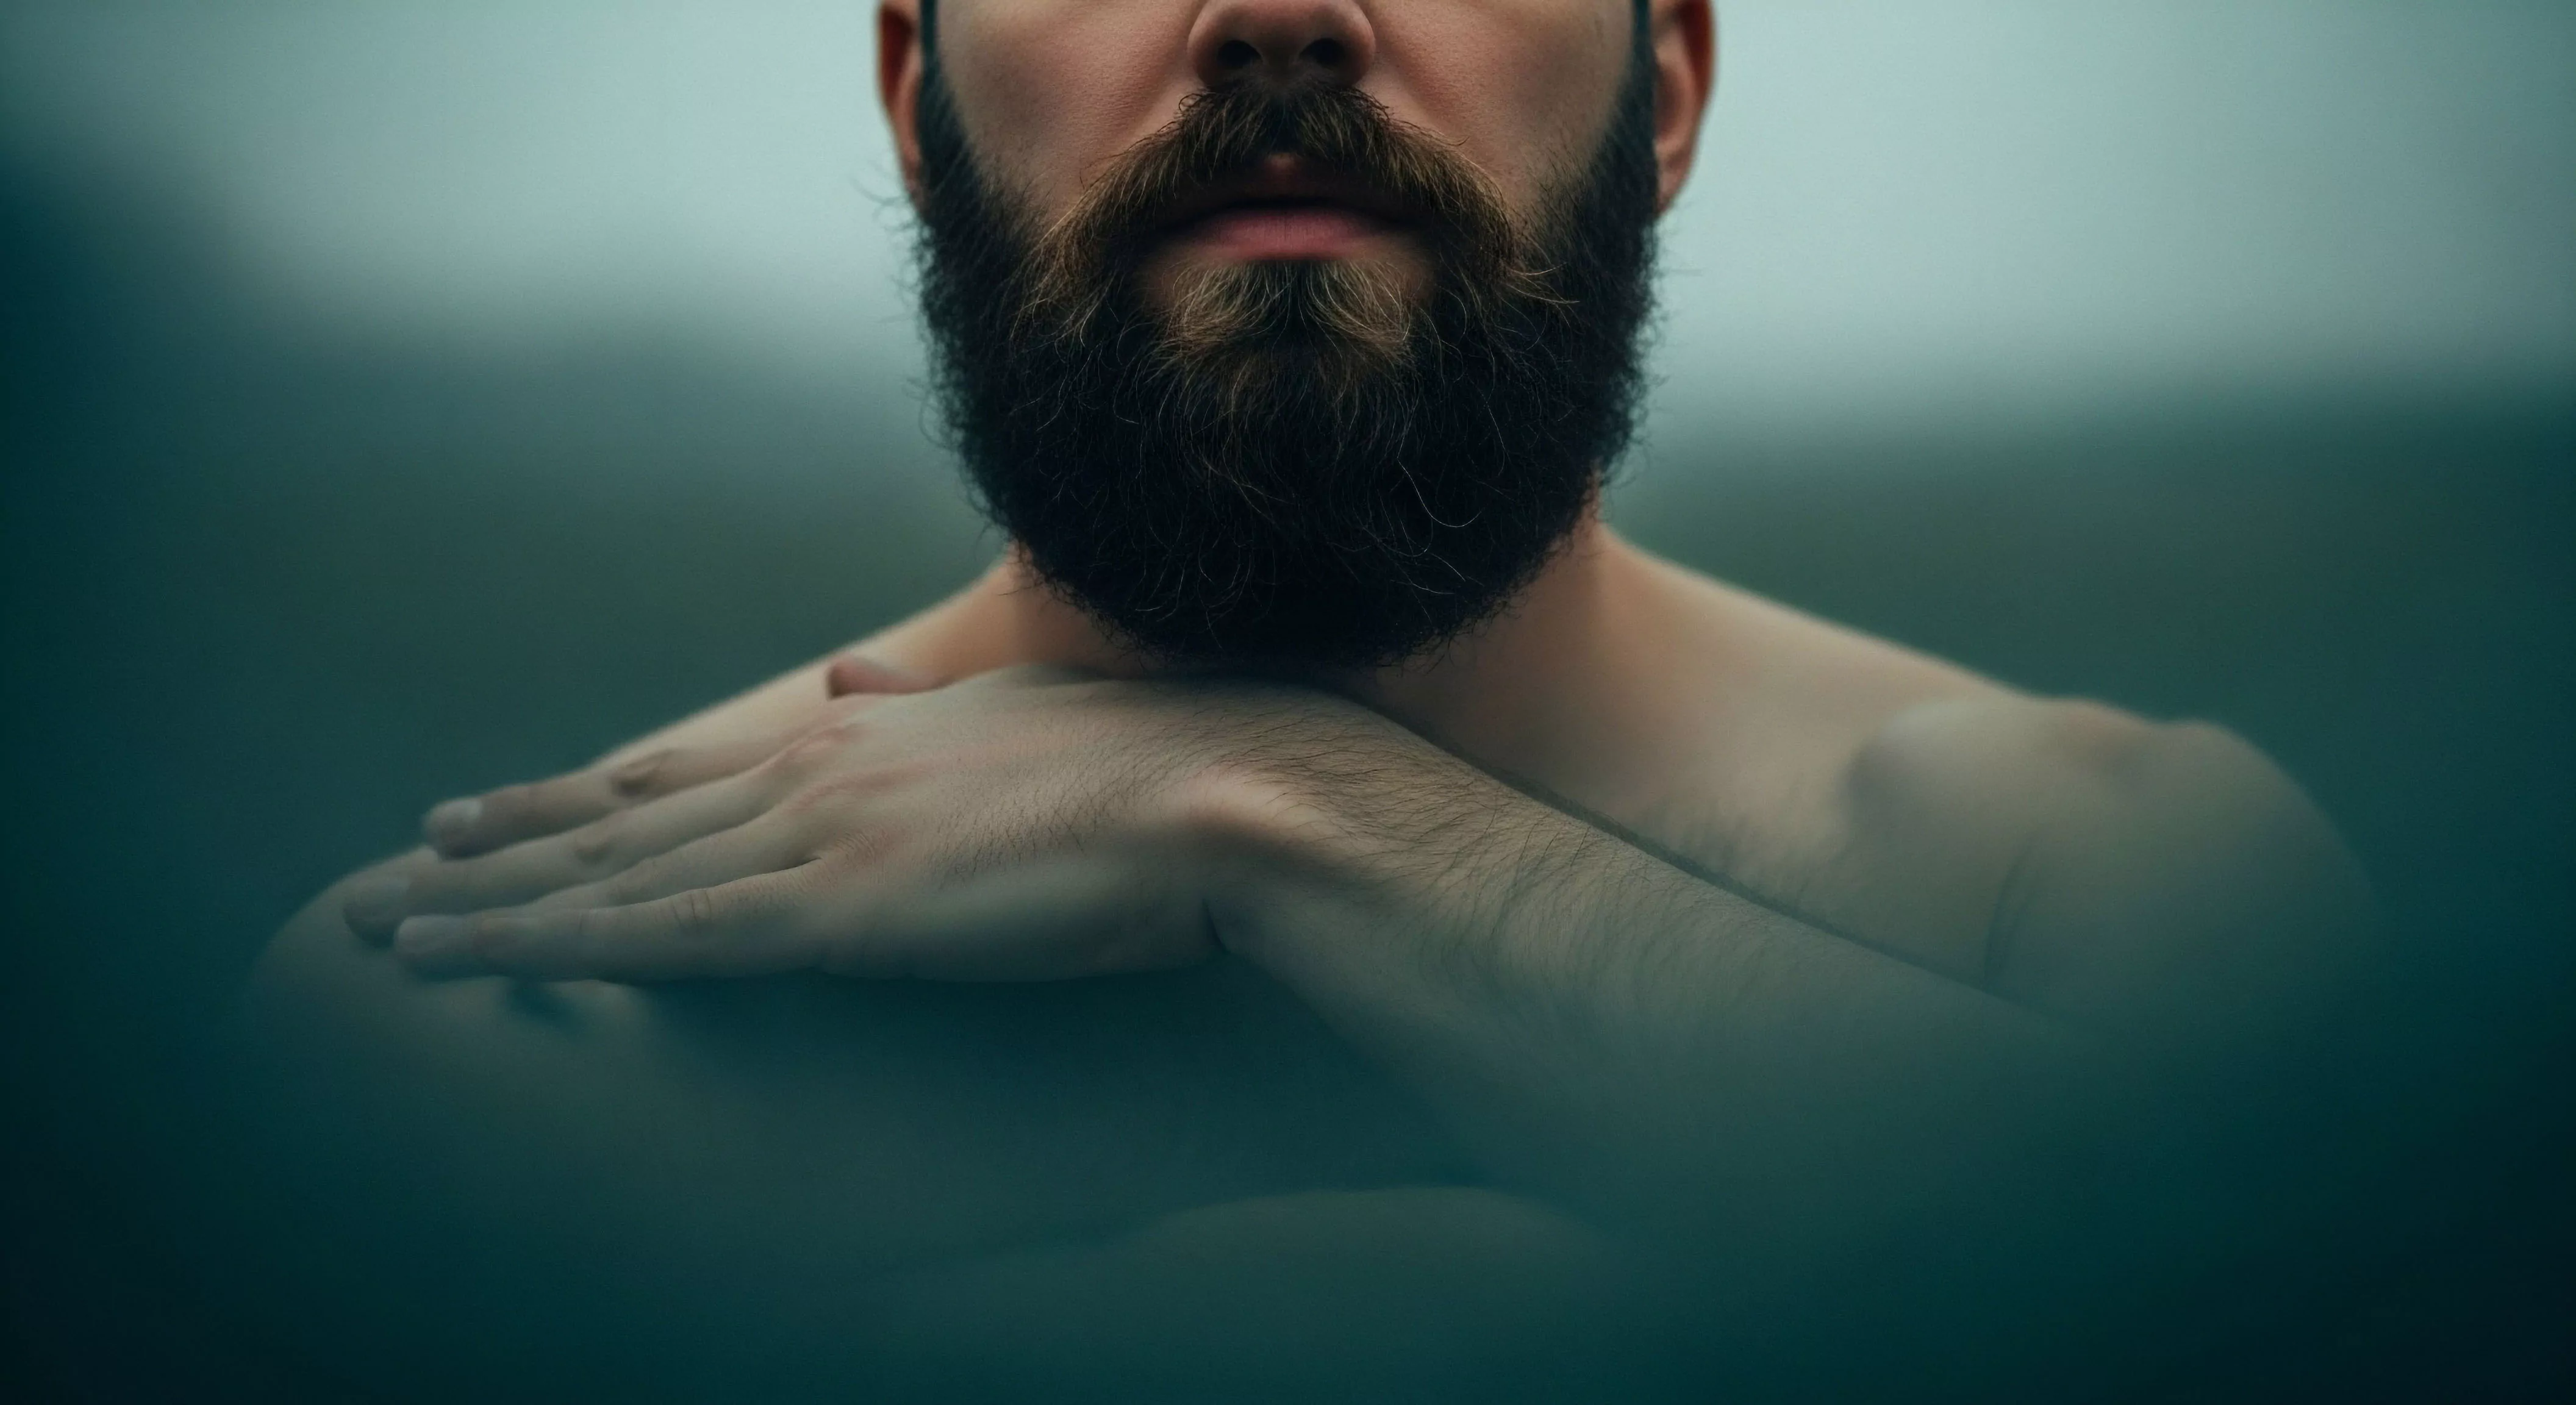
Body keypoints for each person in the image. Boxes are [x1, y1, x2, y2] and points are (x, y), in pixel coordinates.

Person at [239, 1, 2381, 1398]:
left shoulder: (2097, 888)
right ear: (914, 94)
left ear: (1673, 91)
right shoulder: (486, 1032)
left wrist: (1291, 806)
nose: (1279, 14)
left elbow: (2289, 1303)